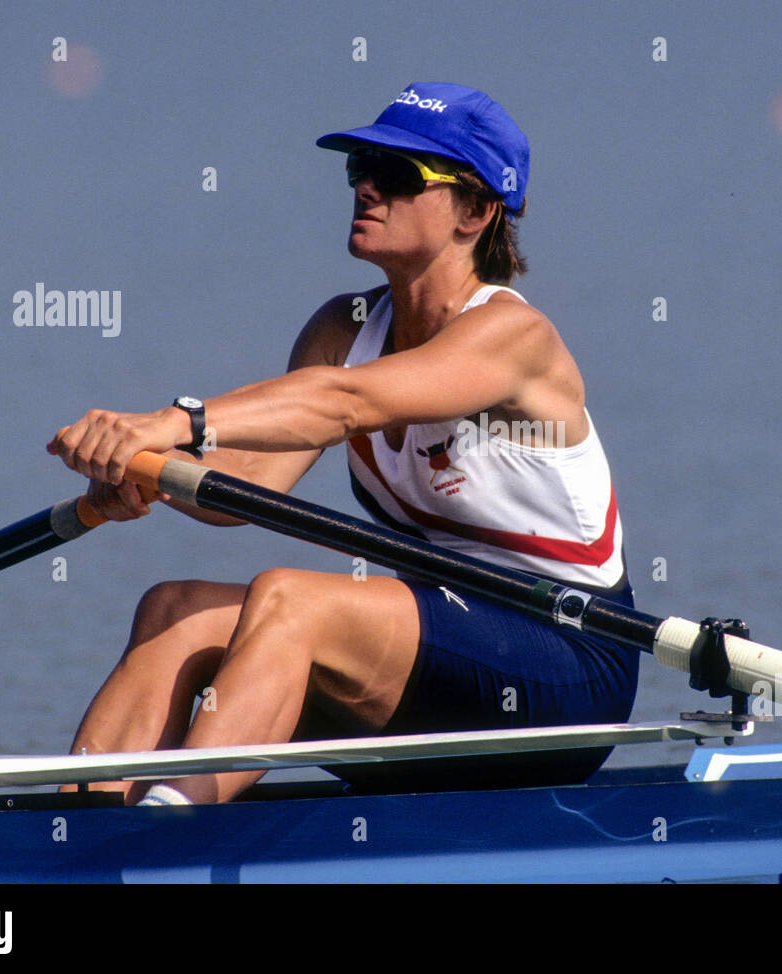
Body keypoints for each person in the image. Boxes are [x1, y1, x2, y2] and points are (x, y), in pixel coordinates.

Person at [48, 82, 637, 805]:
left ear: (477, 211)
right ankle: (73, 824)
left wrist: (171, 422)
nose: (365, 187)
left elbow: (344, 403)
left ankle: (171, 843)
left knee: (291, 598)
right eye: (360, 165)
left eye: (396, 176)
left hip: (566, 666)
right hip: (436, 651)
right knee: (176, 609)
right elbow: (241, 489)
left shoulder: (514, 338)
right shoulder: (343, 328)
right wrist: (145, 473)